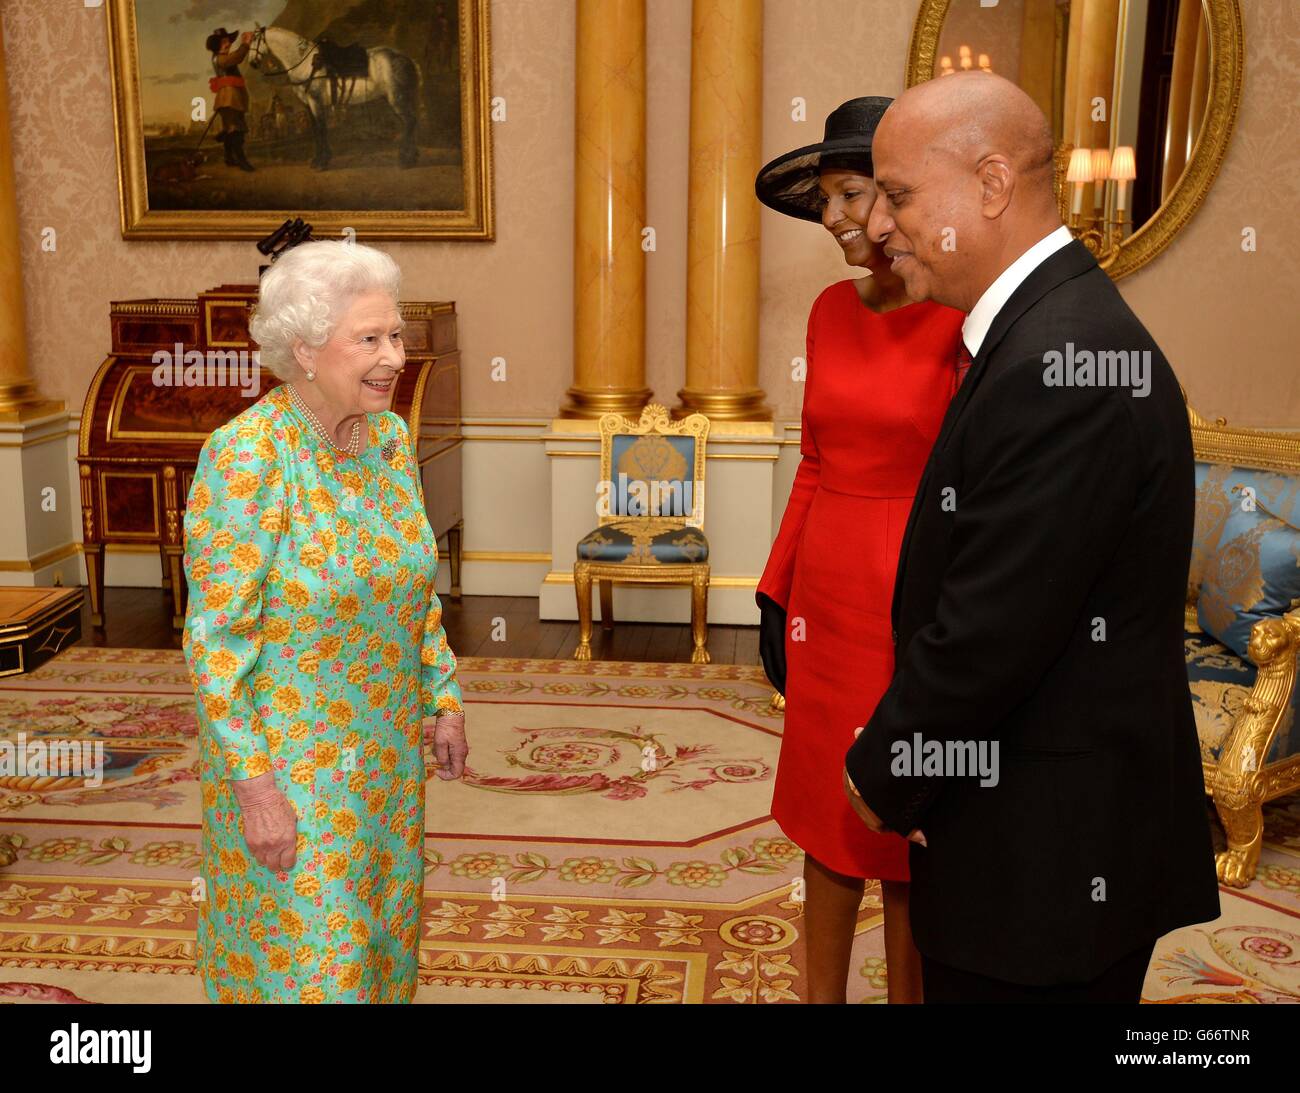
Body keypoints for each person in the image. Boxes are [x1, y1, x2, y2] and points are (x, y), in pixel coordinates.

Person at [843, 73, 1220, 1003]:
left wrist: (888, 767)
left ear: (992, 185)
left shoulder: (1061, 362)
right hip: (1037, 822)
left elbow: (992, 631)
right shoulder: (1045, 331)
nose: (878, 228)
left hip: (1047, 853)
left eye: (896, 195)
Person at [182, 240, 468, 1003]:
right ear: (304, 350)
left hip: (384, 763)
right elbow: (215, 644)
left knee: (379, 947)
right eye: (369, 338)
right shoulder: (247, 459)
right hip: (292, 769)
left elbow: (413, 588)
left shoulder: (390, 441)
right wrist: (255, 788)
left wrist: (442, 695)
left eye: (397, 336)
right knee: (312, 964)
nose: (395, 356)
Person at [753, 97, 966, 1003]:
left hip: (910, 598)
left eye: (850, 196)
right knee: (823, 822)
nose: (834, 218)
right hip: (825, 598)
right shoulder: (829, 309)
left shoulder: (956, 313)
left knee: (901, 833)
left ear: (896, 198)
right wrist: (775, 591)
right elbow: (812, 460)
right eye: (826, 201)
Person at [206, 27, 255, 172]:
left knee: (230, 130)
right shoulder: (221, 59)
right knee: (236, 131)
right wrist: (246, 44)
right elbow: (237, 57)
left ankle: (229, 158)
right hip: (229, 99)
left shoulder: (219, 57)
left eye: (228, 41)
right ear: (217, 45)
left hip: (231, 98)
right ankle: (242, 162)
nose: (228, 44)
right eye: (224, 42)